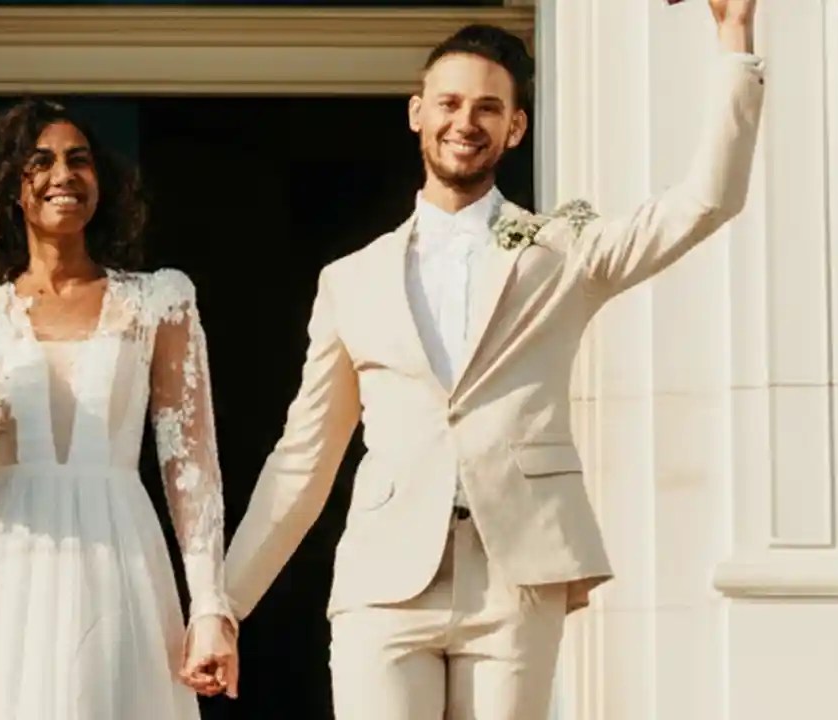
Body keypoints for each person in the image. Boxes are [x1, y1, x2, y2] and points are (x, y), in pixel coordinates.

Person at [223, 2, 763, 718]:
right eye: (448, 103)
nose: (464, 122)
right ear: (417, 113)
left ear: (516, 127)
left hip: (515, 569)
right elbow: (304, 458)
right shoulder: (350, 279)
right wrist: (222, 605)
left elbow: (705, 202)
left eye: (487, 107)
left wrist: (733, 41)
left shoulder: (564, 249)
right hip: (384, 580)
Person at [0, 99, 239, 719]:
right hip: (3, 555)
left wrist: (210, 607)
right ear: (12, 187)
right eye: (41, 161)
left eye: (78, 159)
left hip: (117, 553)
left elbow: (191, 468)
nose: (63, 174)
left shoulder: (160, 301)